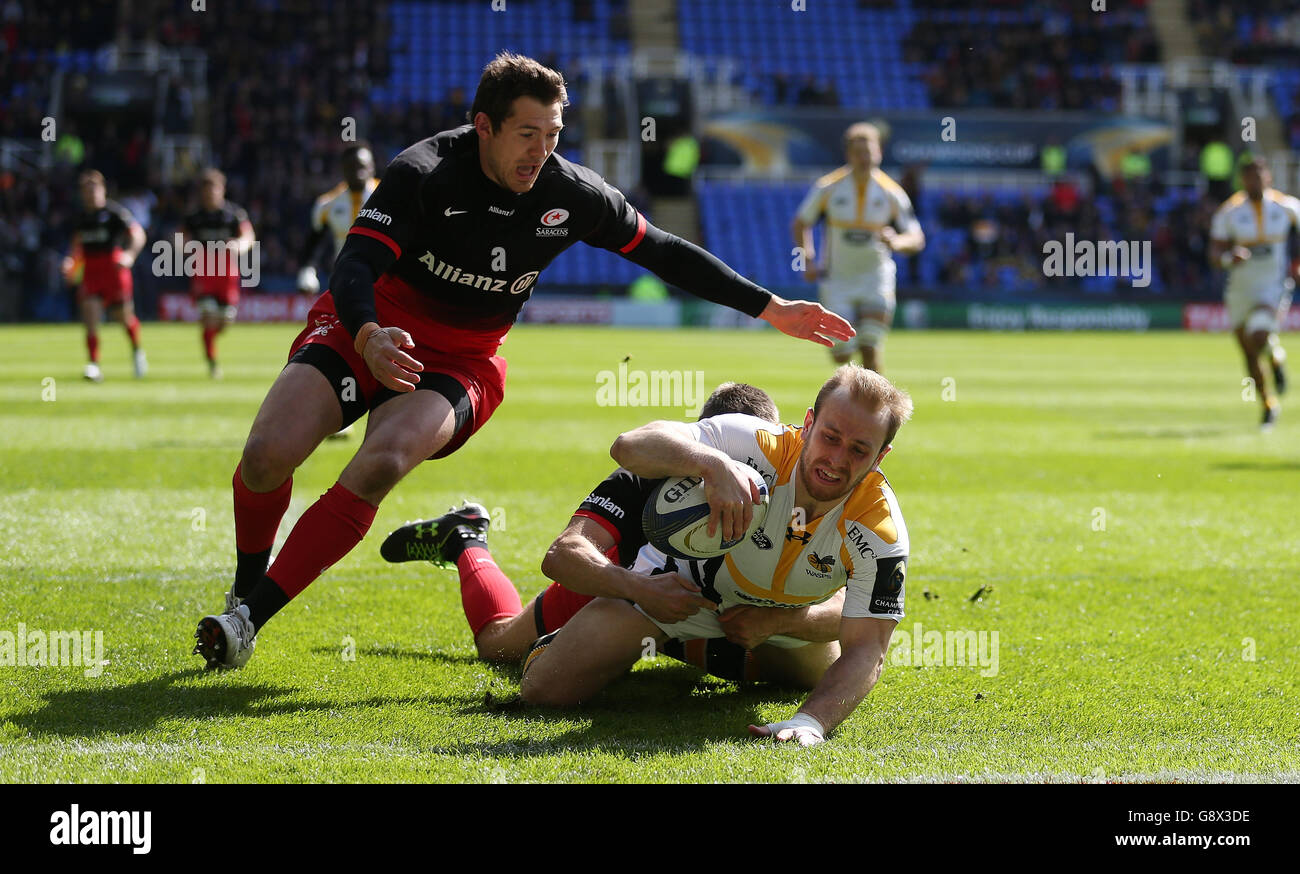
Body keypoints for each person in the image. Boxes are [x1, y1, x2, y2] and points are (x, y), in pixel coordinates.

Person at [193, 52, 853, 670]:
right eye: (527, 135)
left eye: (555, 135)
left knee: (382, 462)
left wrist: (769, 307)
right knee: (265, 456)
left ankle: (249, 619)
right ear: (484, 127)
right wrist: (367, 335)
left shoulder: (573, 194)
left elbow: (663, 251)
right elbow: (355, 264)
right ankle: (247, 584)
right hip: (366, 329)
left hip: (462, 358)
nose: (543, 152)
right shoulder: (421, 172)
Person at [520, 365, 912, 748]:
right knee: (545, 691)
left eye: (860, 450)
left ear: (881, 456)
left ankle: (695, 648)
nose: (838, 459)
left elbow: (867, 648)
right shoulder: (754, 441)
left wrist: (810, 723)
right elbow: (628, 445)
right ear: (808, 423)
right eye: (831, 436)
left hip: (779, 620)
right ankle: (653, 637)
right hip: (675, 590)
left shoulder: (880, 528)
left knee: (821, 676)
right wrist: (714, 462)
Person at [380, 382, 845, 684]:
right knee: (499, 646)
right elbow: (562, 554)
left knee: (808, 665)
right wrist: (638, 587)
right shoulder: (647, 474)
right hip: (623, 584)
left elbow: (852, 608)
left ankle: (653, 642)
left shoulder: (794, 490)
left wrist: (781, 622)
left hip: (710, 612)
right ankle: (466, 538)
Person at [792, 122, 924, 373]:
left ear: (879, 153)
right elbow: (800, 223)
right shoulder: (828, 187)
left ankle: (876, 410)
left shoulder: (892, 193)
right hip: (837, 279)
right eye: (858, 152)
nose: (865, 158)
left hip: (876, 278)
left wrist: (896, 241)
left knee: (870, 348)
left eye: (869, 151)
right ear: (848, 155)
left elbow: (916, 237)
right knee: (841, 356)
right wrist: (807, 258)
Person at [1208, 158, 1300, 429]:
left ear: (1268, 178)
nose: (1255, 182)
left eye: (1259, 176)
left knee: (1257, 334)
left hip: (1273, 285)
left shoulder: (1288, 207)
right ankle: (1269, 403)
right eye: (1249, 177)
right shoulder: (1229, 212)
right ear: (1242, 181)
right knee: (1248, 352)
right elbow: (1214, 252)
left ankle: (1271, 350)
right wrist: (1227, 258)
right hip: (1240, 288)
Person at [62, 169, 147, 382]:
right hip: (91, 270)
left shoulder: (115, 214)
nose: (91, 195)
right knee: (90, 315)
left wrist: (129, 255)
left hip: (114, 269)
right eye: (87, 191)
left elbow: (138, 234)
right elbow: (77, 245)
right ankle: (93, 364)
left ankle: (137, 351)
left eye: (95, 189)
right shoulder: (81, 217)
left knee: (123, 318)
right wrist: (70, 262)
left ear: (103, 190)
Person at [181, 169, 255, 378]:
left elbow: (248, 236)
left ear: (222, 190)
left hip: (227, 275)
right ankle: (212, 362)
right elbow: (179, 237)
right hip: (203, 273)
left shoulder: (233, 214)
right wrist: (186, 246)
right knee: (209, 314)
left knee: (224, 321)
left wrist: (239, 245)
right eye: (206, 190)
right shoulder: (194, 217)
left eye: (214, 189)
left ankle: (209, 337)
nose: (210, 194)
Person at [296, 143, 379, 299]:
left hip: (384, 278)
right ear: (343, 170)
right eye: (351, 167)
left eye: (361, 166)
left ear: (372, 167)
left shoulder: (390, 198)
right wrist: (307, 270)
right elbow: (314, 243)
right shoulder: (326, 204)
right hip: (346, 279)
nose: (358, 172)